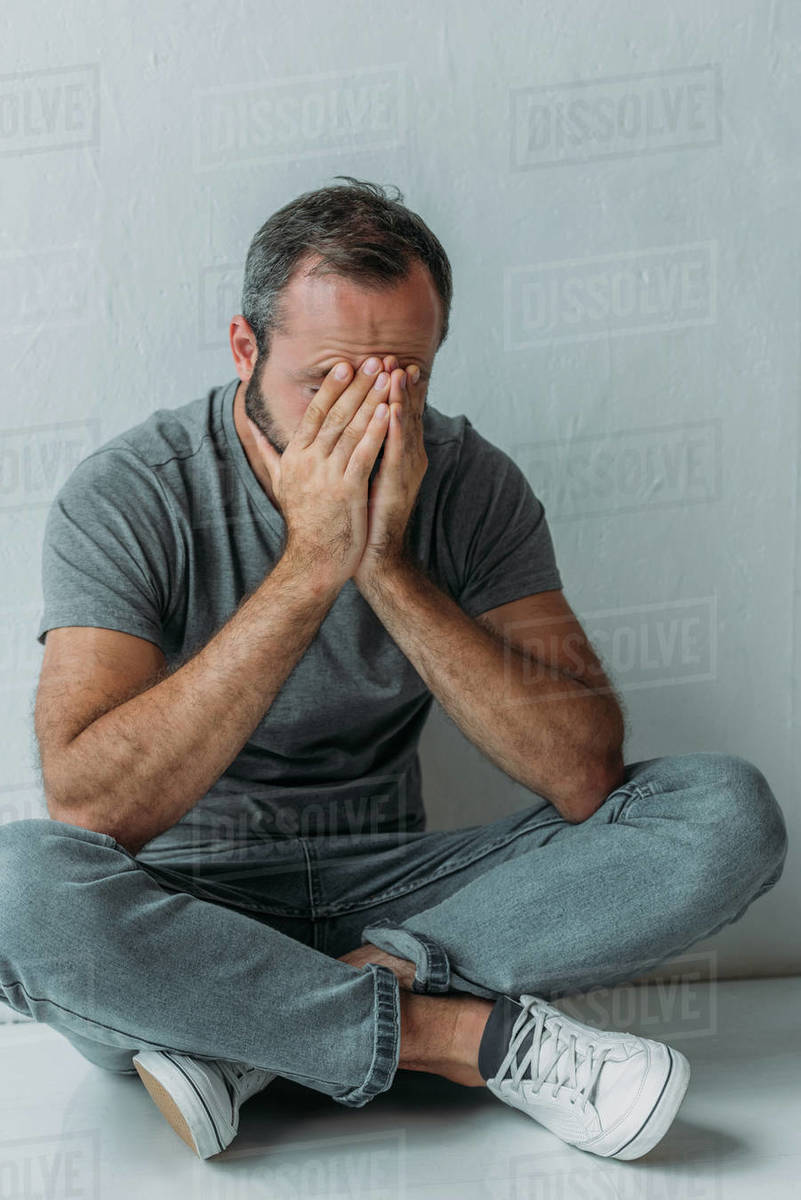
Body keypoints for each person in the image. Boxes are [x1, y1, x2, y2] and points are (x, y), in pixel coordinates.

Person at [3, 178, 787, 1164]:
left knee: (724, 809)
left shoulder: (467, 481)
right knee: (14, 887)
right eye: (326, 382)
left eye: (401, 378)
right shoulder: (133, 492)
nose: (368, 416)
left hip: (414, 898)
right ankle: (467, 1039)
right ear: (245, 350)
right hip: (189, 909)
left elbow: (582, 773)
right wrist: (310, 564)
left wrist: (383, 561)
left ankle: (261, 1035)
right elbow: (91, 806)